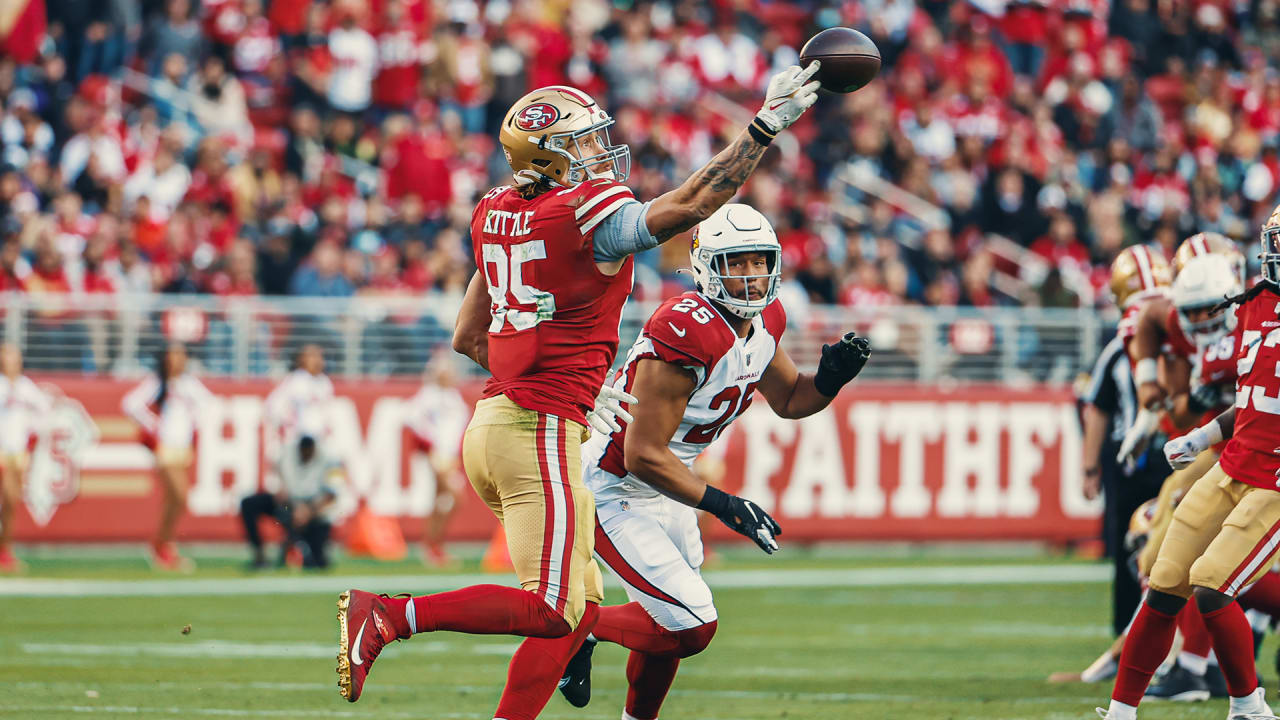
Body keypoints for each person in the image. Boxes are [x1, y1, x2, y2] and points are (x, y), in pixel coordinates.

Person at [336, 62, 823, 719]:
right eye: (584, 142)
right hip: (537, 432)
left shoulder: (495, 211)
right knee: (553, 606)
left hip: (496, 428)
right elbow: (693, 206)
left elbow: (465, 335)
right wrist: (764, 128)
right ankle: (391, 616)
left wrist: (552, 381)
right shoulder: (590, 213)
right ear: (551, 155)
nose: (599, 152)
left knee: (576, 611)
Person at [553, 203, 871, 718]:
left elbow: (791, 398)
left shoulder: (767, 318)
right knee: (692, 622)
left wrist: (830, 381)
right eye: (736, 262)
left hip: (667, 483)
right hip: (614, 486)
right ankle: (579, 630)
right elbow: (641, 453)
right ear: (704, 266)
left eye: (758, 262)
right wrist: (724, 503)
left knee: (671, 625)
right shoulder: (687, 326)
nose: (750, 277)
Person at [1097, 210, 1280, 720]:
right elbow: (1252, 401)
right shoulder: (1256, 304)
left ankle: (1248, 706)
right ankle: (1120, 712)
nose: (1275, 257)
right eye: (1275, 245)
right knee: (1165, 579)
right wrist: (1200, 436)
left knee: (1213, 584)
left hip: (1276, 481)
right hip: (1234, 464)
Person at [122, 343, 213, 572]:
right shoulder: (157, 383)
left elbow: (208, 404)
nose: (177, 360)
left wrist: (194, 423)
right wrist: (153, 426)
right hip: (165, 449)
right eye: (172, 355)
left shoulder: (189, 384)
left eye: (181, 355)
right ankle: (162, 543)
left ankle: (162, 544)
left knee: (173, 500)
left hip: (183, 449)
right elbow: (130, 404)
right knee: (180, 496)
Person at [403, 358, 471, 568]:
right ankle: (433, 545)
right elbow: (413, 421)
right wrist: (430, 446)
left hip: (449, 456)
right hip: (437, 455)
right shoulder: (428, 397)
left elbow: (461, 427)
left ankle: (432, 546)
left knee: (441, 500)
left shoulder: (454, 397)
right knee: (455, 496)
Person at [239, 434, 340, 569]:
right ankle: (260, 555)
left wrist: (309, 512)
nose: (305, 456)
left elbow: (331, 495)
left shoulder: (331, 459)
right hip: (290, 507)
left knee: (317, 563)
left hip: (315, 514)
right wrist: (294, 508)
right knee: (249, 504)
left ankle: (295, 546)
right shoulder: (287, 454)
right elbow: (280, 490)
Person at [0, 344, 52, 573]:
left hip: (17, 453)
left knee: (11, 501)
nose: (11, 361)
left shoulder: (26, 387)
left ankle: (5, 551)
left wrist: (32, 433)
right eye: (6, 356)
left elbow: (44, 410)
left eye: (14, 356)